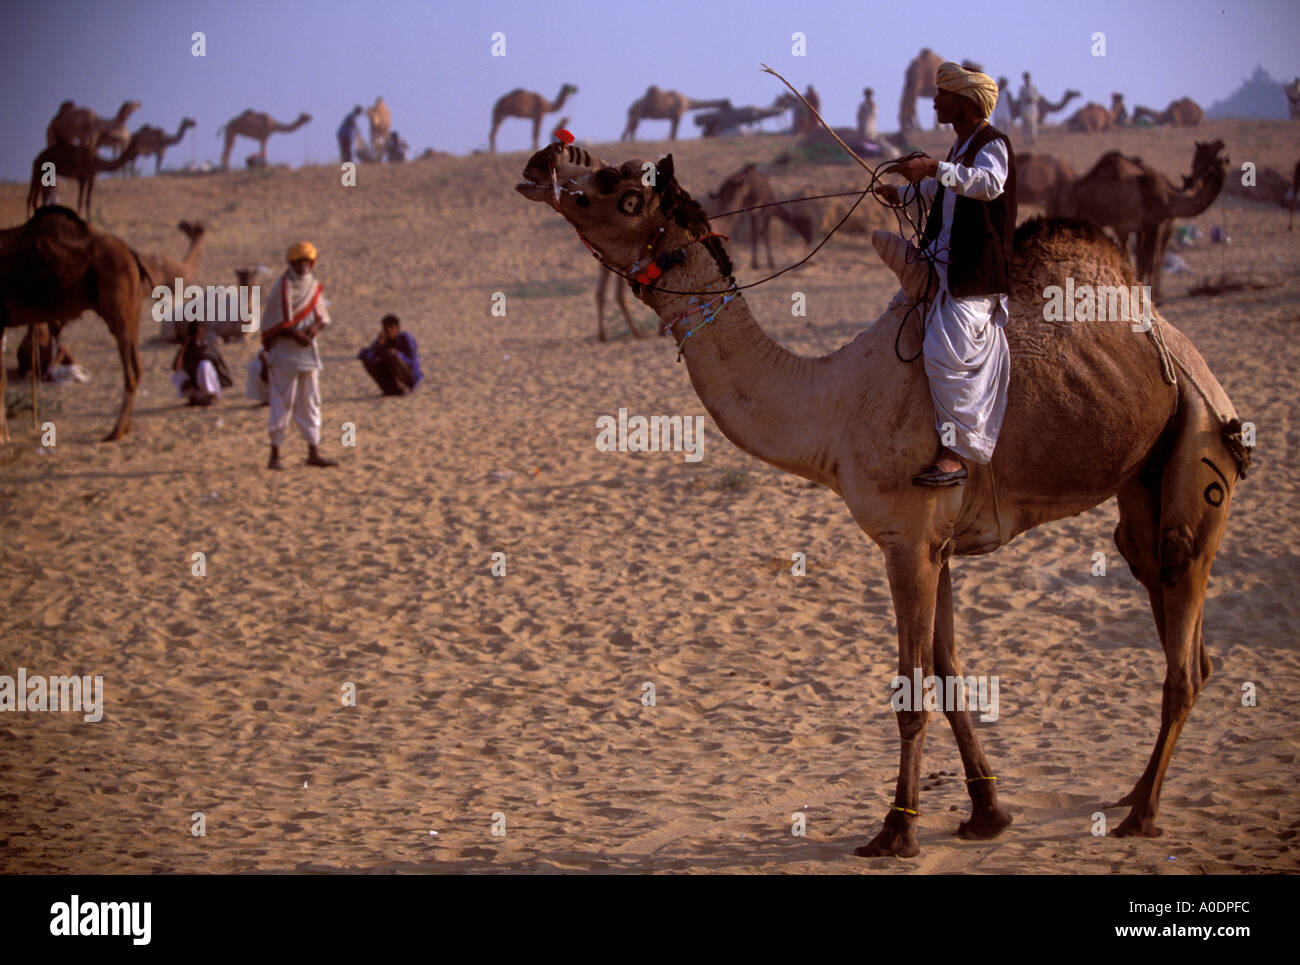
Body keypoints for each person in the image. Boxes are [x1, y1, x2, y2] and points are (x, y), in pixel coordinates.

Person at [877, 62, 1015, 487]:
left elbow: (988, 184)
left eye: (943, 94)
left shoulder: (993, 145)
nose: (934, 101)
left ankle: (956, 454)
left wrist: (934, 168)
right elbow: (943, 190)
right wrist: (901, 193)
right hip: (941, 261)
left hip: (973, 277)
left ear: (967, 101)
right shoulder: (960, 147)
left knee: (943, 354)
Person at [260, 241, 338, 469]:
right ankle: (275, 454)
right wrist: (295, 336)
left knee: (311, 402)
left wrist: (313, 330)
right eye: (299, 261)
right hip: (285, 353)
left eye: (307, 261)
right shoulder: (281, 287)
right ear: (292, 263)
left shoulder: (313, 286)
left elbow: (321, 317)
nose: (303, 266)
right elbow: (274, 322)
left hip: (308, 353)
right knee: (282, 402)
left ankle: (313, 451)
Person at [358, 314, 422, 395]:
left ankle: (405, 387)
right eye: (386, 327)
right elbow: (364, 355)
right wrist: (377, 344)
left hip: (409, 377)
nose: (388, 330)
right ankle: (391, 389)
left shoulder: (406, 338)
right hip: (393, 380)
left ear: (398, 328)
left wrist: (398, 354)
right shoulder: (383, 340)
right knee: (368, 360)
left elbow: (412, 361)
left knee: (389, 354)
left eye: (391, 327)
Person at [171, 322, 233, 406]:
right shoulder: (187, 350)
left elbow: (218, 371)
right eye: (192, 334)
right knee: (179, 372)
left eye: (197, 334)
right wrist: (183, 349)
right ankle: (194, 398)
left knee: (204, 365)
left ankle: (210, 397)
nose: (195, 337)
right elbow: (176, 368)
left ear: (202, 334)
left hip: (211, 387)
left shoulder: (207, 348)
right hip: (194, 385)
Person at [17, 323, 87, 383]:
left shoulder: (53, 345)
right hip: (39, 366)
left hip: (48, 364)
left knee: (73, 368)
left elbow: (66, 356)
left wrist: (55, 364)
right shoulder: (31, 344)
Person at [1017, 71, 1039, 144]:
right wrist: (1025, 99)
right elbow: (1020, 98)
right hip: (1024, 107)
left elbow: (1037, 97)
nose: (1027, 79)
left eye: (1028, 77)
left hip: (1032, 108)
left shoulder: (1033, 87)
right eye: (1026, 78)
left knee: (1032, 124)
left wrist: (1032, 99)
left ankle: (1033, 139)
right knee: (1025, 124)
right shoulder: (1022, 88)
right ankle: (1026, 139)